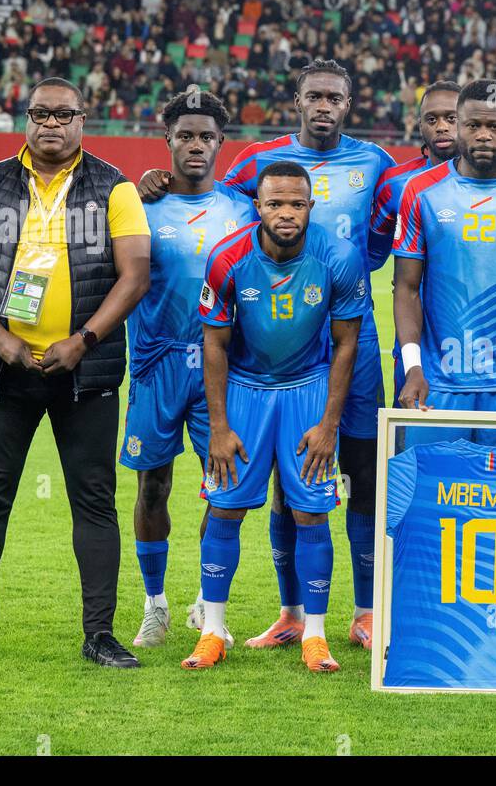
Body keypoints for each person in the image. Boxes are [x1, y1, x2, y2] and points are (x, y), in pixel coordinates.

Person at [140, 60, 392, 655]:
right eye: (315, 96)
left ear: (349, 104)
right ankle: (287, 613)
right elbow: (208, 197)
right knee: (278, 489)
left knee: (354, 478)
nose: (324, 105)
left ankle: (362, 611)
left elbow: (380, 237)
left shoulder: (375, 164)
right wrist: (159, 181)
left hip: (341, 347)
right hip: (260, 366)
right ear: (297, 100)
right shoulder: (255, 162)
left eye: (336, 97)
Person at [0, 77, 151, 667]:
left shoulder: (115, 187)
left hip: (86, 369)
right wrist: (2, 339)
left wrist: (84, 339)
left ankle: (100, 634)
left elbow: (135, 275)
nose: (50, 124)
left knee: (94, 501)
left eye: (63, 114)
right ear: (25, 120)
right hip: (6, 369)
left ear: (83, 120)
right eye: (39, 114)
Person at [185, 161, 365, 673]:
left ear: (311, 206)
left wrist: (330, 423)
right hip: (244, 393)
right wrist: (218, 427)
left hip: (308, 390)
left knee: (311, 511)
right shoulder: (227, 258)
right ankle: (213, 631)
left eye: (297, 203)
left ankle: (314, 634)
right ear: (258, 206)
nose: (286, 213)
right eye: (275, 203)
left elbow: (346, 343)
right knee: (225, 508)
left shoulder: (339, 257)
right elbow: (214, 345)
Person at [121, 89, 257, 649]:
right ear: (169, 142)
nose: (195, 145)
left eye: (206, 137)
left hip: (220, 369)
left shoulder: (244, 209)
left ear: (220, 143)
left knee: (222, 489)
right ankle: (155, 604)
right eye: (185, 136)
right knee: (153, 488)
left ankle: (206, 598)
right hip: (156, 367)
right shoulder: (138, 207)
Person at [391, 77, 496, 448]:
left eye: (494, 126)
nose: (484, 135)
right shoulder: (420, 191)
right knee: (433, 498)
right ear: (458, 125)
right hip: (438, 381)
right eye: (473, 125)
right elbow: (406, 288)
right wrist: (413, 368)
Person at [367, 80, 461, 406]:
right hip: (415, 344)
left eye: (452, 117)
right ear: (419, 125)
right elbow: (372, 254)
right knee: (410, 449)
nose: (442, 126)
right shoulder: (395, 184)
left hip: (481, 348)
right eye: (431, 119)